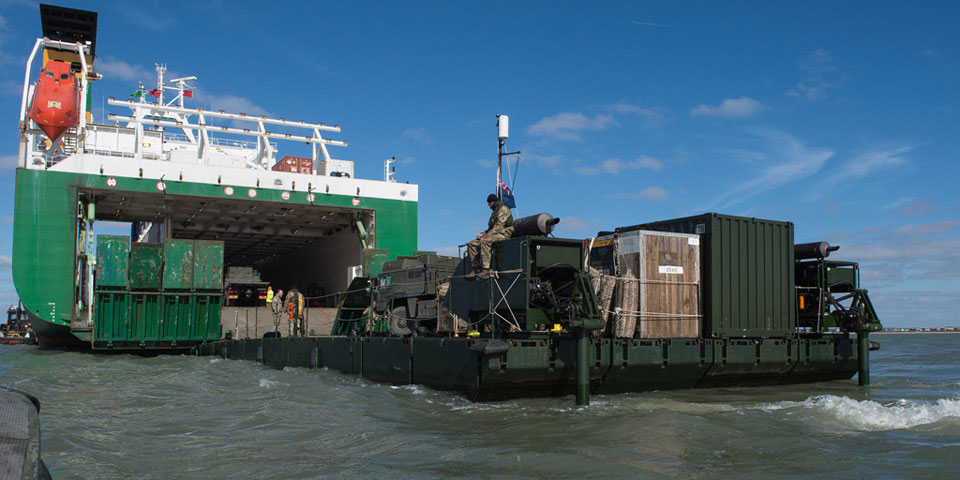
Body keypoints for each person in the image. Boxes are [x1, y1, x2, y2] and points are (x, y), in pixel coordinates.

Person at [466, 194, 514, 279]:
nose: (489, 207)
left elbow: (498, 228)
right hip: (494, 234)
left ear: (492, 202)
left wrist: (485, 237)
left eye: (489, 204)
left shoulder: (503, 210)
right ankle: (476, 269)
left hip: (503, 234)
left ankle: (486, 269)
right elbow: (491, 229)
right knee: (472, 244)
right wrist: (482, 234)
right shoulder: (495, 212)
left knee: (485, 241)